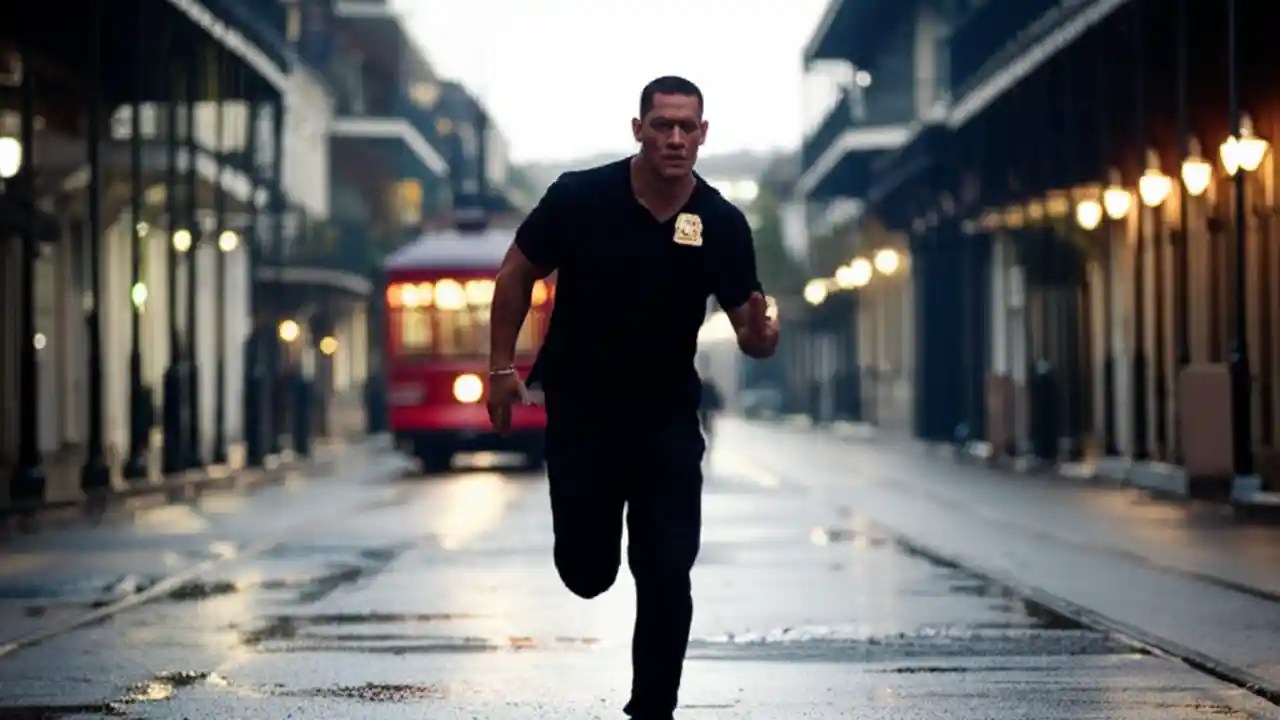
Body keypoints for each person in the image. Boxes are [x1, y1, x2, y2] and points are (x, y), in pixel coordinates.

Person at [485, 75, 779, 719]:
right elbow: (516, 273)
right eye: (662, 125)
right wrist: (501, 366)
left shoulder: (721, 223)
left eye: (686, 127)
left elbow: (749, 327)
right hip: (582, 413)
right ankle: (587, 556)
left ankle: (653, 707)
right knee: (588, 574)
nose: (674, 138)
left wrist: (762, 336)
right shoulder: (580, 197)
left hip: (666, 417)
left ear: (703, 135)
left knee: (668, 568)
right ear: (638, 129)